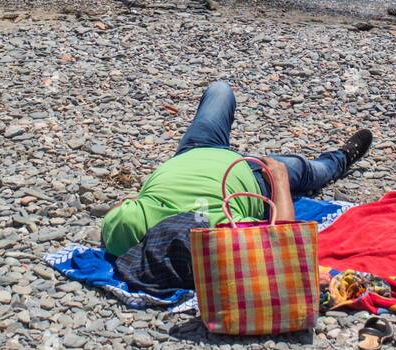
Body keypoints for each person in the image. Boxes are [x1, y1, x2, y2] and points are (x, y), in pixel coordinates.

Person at [100, 80, 373, 258]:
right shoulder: (213, 236)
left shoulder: (134, 227)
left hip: (195, 151)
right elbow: (284, 241)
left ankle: (331, 161)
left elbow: (117, 215)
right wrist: (278, 179)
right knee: (311, 171)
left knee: (220, 90)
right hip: (255, 179)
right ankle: (342, 157)